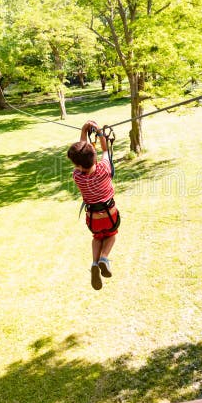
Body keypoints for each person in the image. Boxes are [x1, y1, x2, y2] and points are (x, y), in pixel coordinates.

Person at [67, 120, 120, 290]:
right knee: (111, 236)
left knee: (98, 238)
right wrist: (100, 133)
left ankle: (94, 264)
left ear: (77, 165)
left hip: (93, 218)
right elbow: (105, 150)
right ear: (94, 157)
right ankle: (104, 258)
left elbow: (84, 152)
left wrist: (84, 130)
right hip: (110, 214)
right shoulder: (104, 168)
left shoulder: (77, 176)